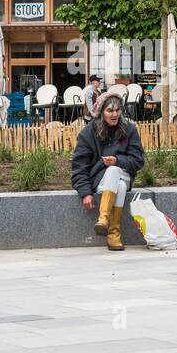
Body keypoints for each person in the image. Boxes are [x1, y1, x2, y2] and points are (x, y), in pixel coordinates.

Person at [71, 91, 146, 251]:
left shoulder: (129, 129)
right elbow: (79, 167)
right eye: (110, 111)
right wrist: (85, 193)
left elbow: (138, 161)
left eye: (118, 110)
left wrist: (118, 161)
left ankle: (103, 218)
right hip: (100, 181)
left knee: (114, 170)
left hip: (125, 174)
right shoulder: (88, 133)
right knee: (119, 186)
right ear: (101, 112)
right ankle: (113, 233)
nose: (114, 114)